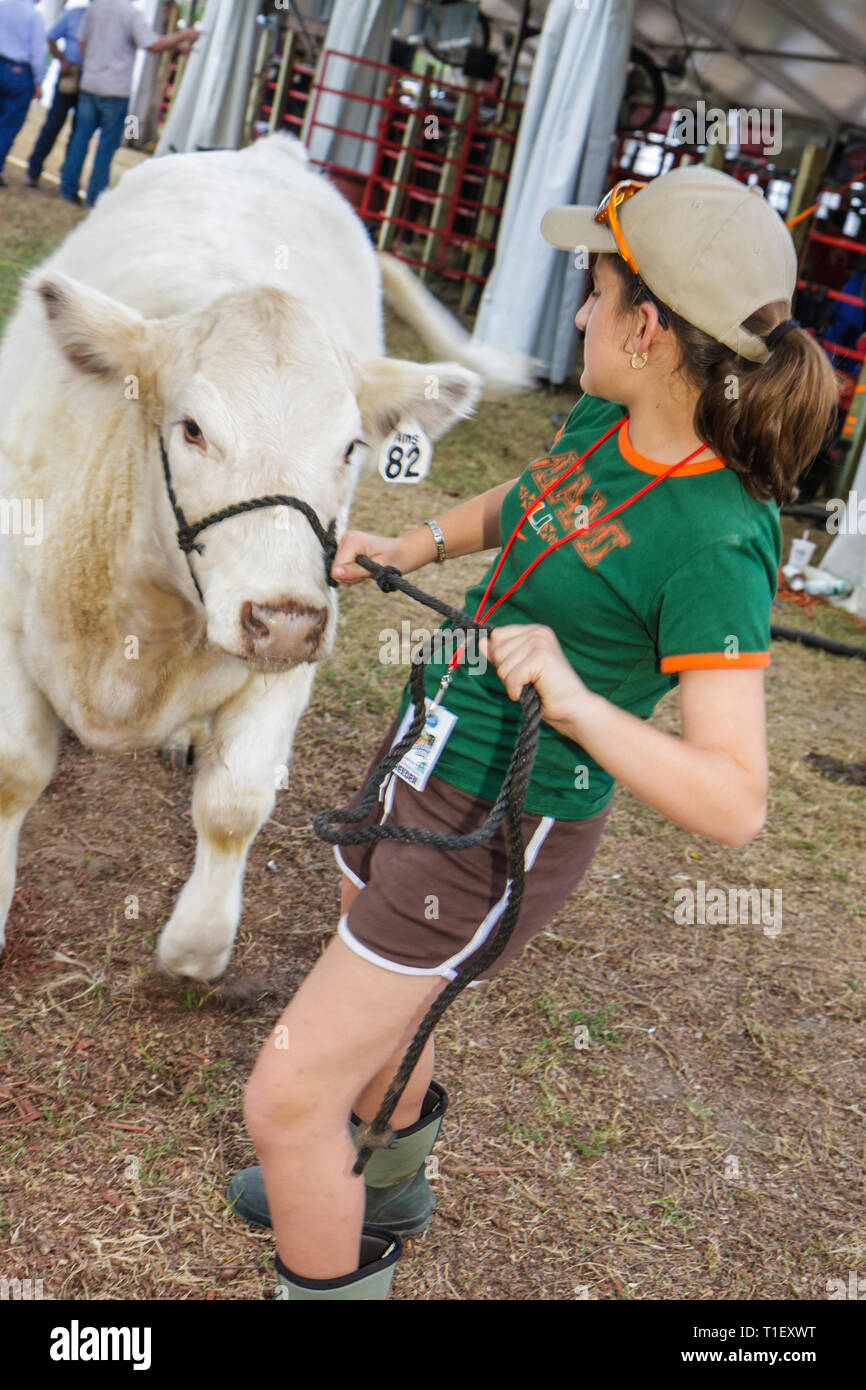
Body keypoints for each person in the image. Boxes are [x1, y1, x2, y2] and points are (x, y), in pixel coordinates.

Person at [227, 166, 838, 1299]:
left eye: (592, 295)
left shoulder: (717, 542)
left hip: (494, 820)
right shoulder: (607, 415)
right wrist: (410, 545)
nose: (577, 315)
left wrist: (575, 697)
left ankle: (326, 1188)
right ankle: (383, 1177)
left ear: (647, 329)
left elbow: (734, 802)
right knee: (376, 979)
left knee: (284, 1100)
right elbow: (529, 496)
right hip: (433, 740)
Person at [59, 0, 198, 207]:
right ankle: (95, 196)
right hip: (116, 87)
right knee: (107, 145)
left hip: (91, 82)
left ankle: (68, 188)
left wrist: (93, 63)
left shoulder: (95, 8)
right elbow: (152, 44)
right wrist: (182, 36)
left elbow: (81, 40)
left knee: (81, 137)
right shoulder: (131, 13)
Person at [27, 1, 86, 188]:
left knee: (79, 133)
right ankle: (34, 169)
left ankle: (67, 178)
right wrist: (62, 60)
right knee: (53, 124)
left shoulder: (104, 20)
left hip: (90, 81)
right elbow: (51, 37)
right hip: (69, 75)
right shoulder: (73, 14)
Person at [0, 0, 44, 187]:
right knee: (8, 126)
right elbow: (37, 52)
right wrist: (38, 80)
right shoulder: (34, 15)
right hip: (18, 73)